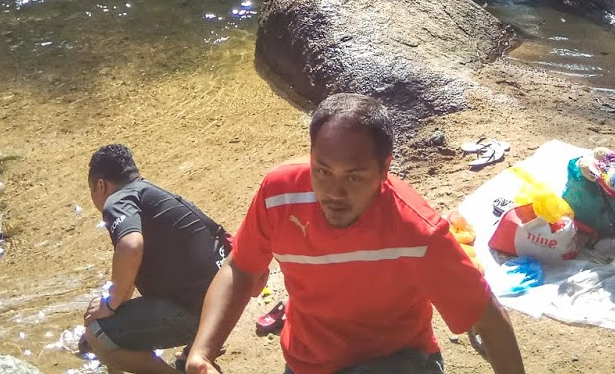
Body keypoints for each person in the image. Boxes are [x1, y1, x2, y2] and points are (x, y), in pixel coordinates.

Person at [184, 93, 526, 374]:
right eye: (323, 170)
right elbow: (240, 268)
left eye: (354, 176)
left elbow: (488, 317)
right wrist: (202, 352)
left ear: (384, 169)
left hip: (398, 362)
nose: (334, 192)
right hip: (307, 363)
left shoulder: (418, 232)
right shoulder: (279, 195)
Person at [80, 144, 230, 372]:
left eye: (92, 190)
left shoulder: (118, 199)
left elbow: (131, 246)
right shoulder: (150, 193)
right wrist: (116, 302)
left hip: (201, 311)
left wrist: (109, 304)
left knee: (98, 332)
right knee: (115, 313)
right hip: (226, 302)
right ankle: (196, 351)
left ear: (100, 185)